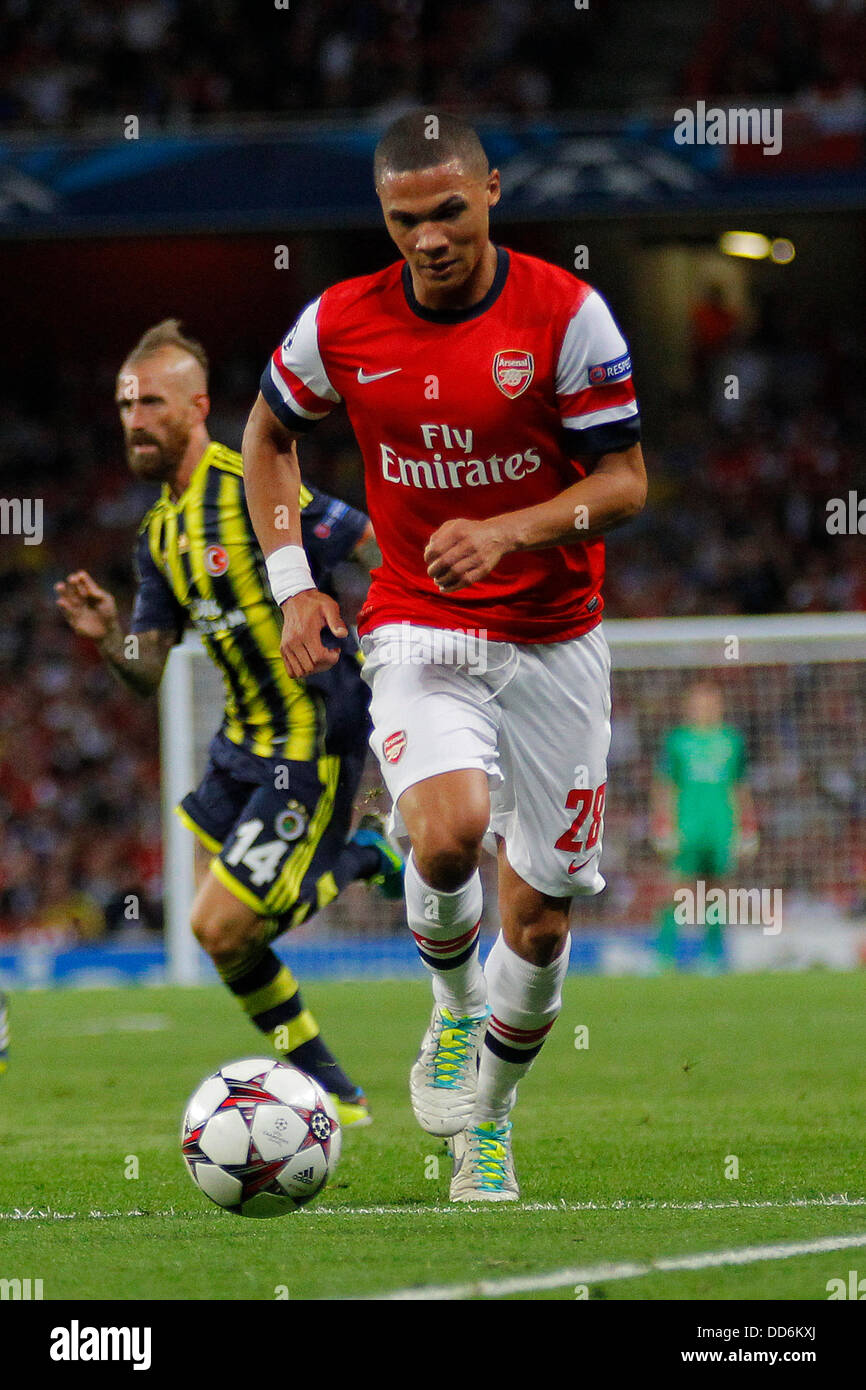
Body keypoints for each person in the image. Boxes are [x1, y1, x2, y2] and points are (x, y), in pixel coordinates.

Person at [242, 110, 646, 1200]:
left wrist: (512, 529)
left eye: (448, 212)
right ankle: (454, 1012)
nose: (426, 238)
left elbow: (624, 482)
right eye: (403, 219)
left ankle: (488, 1123)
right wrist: (292, 587)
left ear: (493, 195)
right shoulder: (340, 324)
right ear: (384, 217)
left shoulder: (566, 317)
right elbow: (268, 435)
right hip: (416, 618)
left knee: (544, 910)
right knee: (451, 832)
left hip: (554, 635)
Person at [56, 320, 403, 1127]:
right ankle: (339, 1095)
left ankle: (364, 850)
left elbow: (367, 541)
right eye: (122, 405)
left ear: (198, 405)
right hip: (240, 748)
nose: (132, 419)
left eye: (149, 403)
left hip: (309, 738)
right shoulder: (158, 535)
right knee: (226, 938)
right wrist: (108, 635)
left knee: (217, 924)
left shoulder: (248, 483)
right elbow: (149, 669)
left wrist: (402, 640)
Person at [651, 680, 758, 971]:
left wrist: (747, 827)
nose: (705, 708)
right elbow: (665, 785)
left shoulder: (731, 740)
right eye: (699, 703)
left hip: (722, 826)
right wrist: (663, 825)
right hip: (687, 827)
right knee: (676, 890)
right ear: (689, 707)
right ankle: (664, 956)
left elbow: (740, 786)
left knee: (718, 892)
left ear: (719, 706)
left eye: (710, 702)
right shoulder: (678, 741)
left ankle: (712, 957)